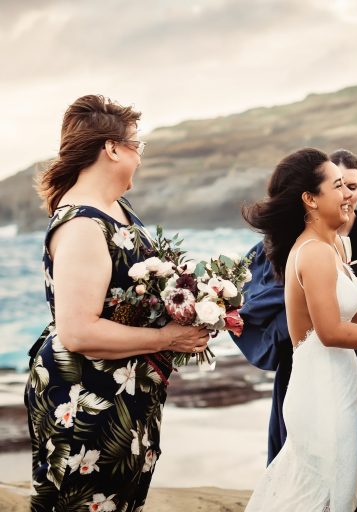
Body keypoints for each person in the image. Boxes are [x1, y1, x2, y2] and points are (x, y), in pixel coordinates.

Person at [24, 94, 209, 512]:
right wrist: (166, 336)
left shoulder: (116, 209)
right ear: (112, 148)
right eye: (137, 145)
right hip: (86, 397)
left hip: (127, 391)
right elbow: (78, 330)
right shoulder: (83, 225)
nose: (140, 157)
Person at [234, 148, 357, 511]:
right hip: (322, 391)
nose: (346, 195)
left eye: (349, 185)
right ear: (310, 198)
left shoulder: (331, 244)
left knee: (339, 490)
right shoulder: (314, 252)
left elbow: (347, 310)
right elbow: (331, 331)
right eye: (338, 186)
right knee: (322, 494)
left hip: (342, 387)